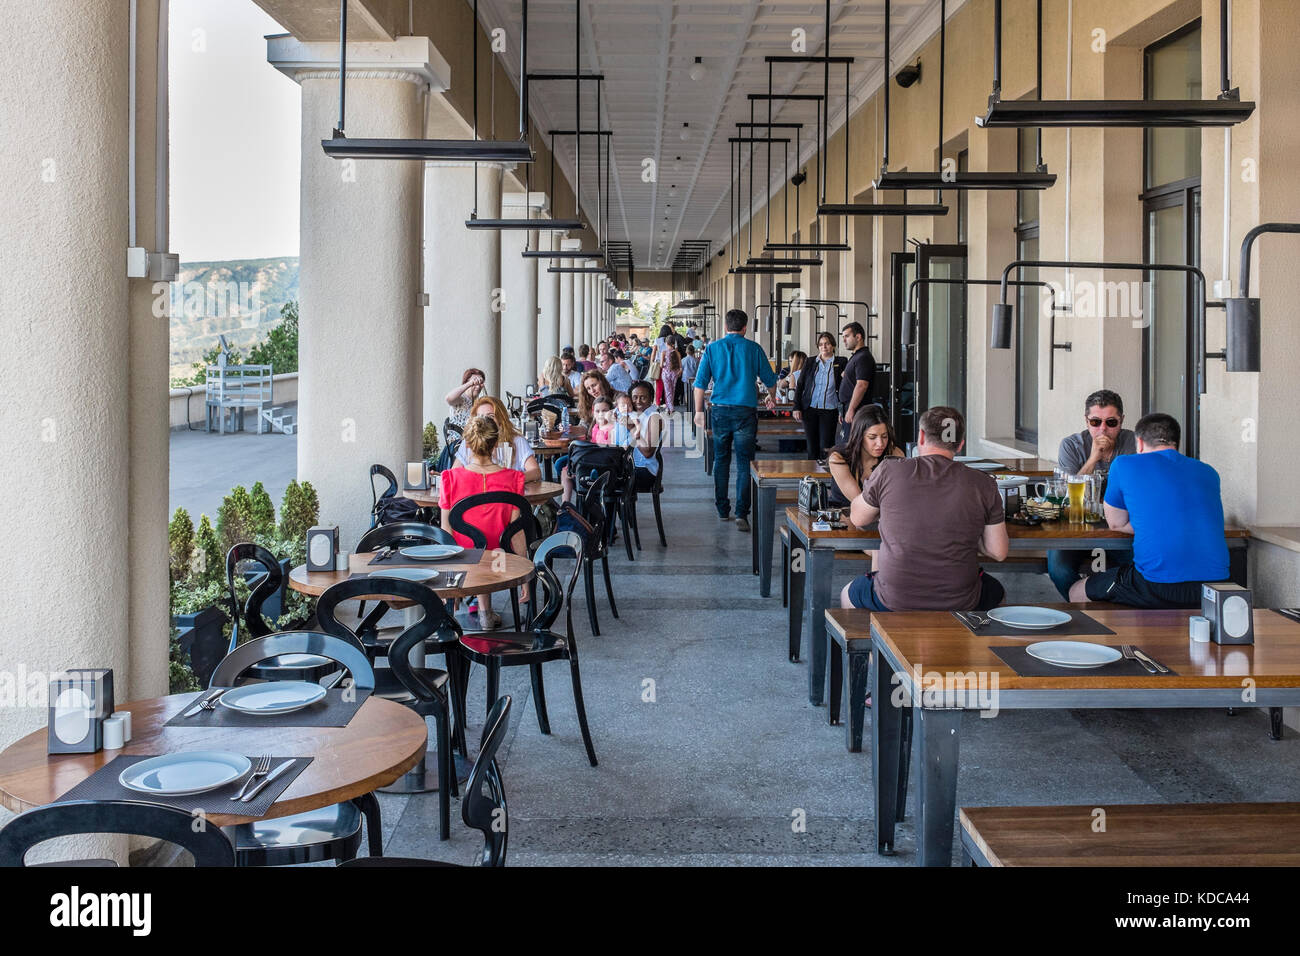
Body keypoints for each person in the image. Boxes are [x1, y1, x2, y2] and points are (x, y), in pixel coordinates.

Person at [841, 406, 1008, 612]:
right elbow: (998, 552)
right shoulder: (984, 483)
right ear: (960, 444)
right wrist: (969, 533)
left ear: (920, 437)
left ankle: (871, 641)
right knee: (998, 593)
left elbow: (857, 518)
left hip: (894, 597)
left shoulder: (889, 470)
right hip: (961, 600)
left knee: (847, 594)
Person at [1069, 413, 1228, 608]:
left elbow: (1116, 523)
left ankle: (1109, 638)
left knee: (1077, 591)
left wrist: (1152, 523)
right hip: (1215, 587)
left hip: (1156, 584)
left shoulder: (1124, 464)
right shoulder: (1209, 472)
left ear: (1140, 443)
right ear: (1176, 443)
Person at [1046, 389, 1139, 598]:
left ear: (1122, 421)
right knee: (1058, 568)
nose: (1103, 429)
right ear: (1086, 421)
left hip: (1122, 528)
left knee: (1141, 563)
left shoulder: (1134, 444)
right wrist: (1093, 459)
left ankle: (1114, 606)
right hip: (1076, 527)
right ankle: (1086, 609)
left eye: (1111, 422)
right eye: (1096, 422)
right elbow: (1069, 496)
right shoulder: (1072, 445)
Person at [692, 308, 779, 531]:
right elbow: (770, 379)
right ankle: (742, 513)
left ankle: (722, 509)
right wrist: (771, 397)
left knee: (721, 461)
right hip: (745, 412)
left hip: (720, 411)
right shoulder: (754, 348)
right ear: (745, 327)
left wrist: (699, 412)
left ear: (725, 327)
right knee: (744, 463)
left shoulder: (712, 349)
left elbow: (700, 384)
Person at [439, 415, 527, 630]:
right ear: (496, 443)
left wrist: (450, 577)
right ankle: (485, 611)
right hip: (501, 561)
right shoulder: (515, 478)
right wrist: (525, 575)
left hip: (464, 561)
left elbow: (445, 531)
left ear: (467, 444)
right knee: (488, 545)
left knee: (475, 546)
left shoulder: (449, 478)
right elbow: (516, 533)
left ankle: (481, 610)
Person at [826, 405, 904, 506]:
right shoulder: (838, 458)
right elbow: (861, 504)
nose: (880, 443)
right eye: (872, 437)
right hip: (843, 516)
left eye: (884, 436)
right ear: (859, 436)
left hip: (882, 515)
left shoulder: (894, 453)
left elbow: (902, 493)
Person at [454, 396, 542, 482]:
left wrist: (510, 479)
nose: (485, 421)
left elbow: (536, 472)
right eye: (480, 417)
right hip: (475, 494)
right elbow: (454, 473)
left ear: (501, 419)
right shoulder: (470, 441)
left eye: (490, 416)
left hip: (508, 493)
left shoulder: (516, 441)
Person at [793, 332, 845, 461]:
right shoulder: (810, 361)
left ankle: (827, 475)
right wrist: (796, 407)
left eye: (827, 343)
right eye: (821, 344)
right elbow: (800, 385)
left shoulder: (841, 362)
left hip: (829, 410)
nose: (824, 347)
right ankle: (813, 476)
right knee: (812, 447)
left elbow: (845, 387)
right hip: (810, 409)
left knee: (826, 446)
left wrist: (842, 410)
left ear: (833, 345)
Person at [837, 322, 877, 444]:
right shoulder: (856, 356)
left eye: (847, 336)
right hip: (848, 408)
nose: (844, 340)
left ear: (858, 337)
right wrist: (843, 410)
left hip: (857, 410)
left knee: (852, 445)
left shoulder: (863, 357)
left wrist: (851, 409)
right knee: (846, 443)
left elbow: (862, 385)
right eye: (843, 337)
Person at [628, 380, 663, 492]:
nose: (638, 401)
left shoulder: (654, 417)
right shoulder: (632, 415)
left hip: (644, 470)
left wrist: (632, 428)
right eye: (635, 397)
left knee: (607, 478)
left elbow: (648, 452)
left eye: (643, 397)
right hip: (631, 467)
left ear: (651, 399)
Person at [661, 346, 683, 414]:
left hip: (666, 373)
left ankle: (670, 408)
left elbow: (661, 365)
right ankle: (669, 406)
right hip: (675, 373)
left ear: (667, 344)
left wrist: (665, 363)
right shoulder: (677, 353)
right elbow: (680, 365)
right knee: (672, 391)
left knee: (668, 391)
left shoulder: (664, 352)